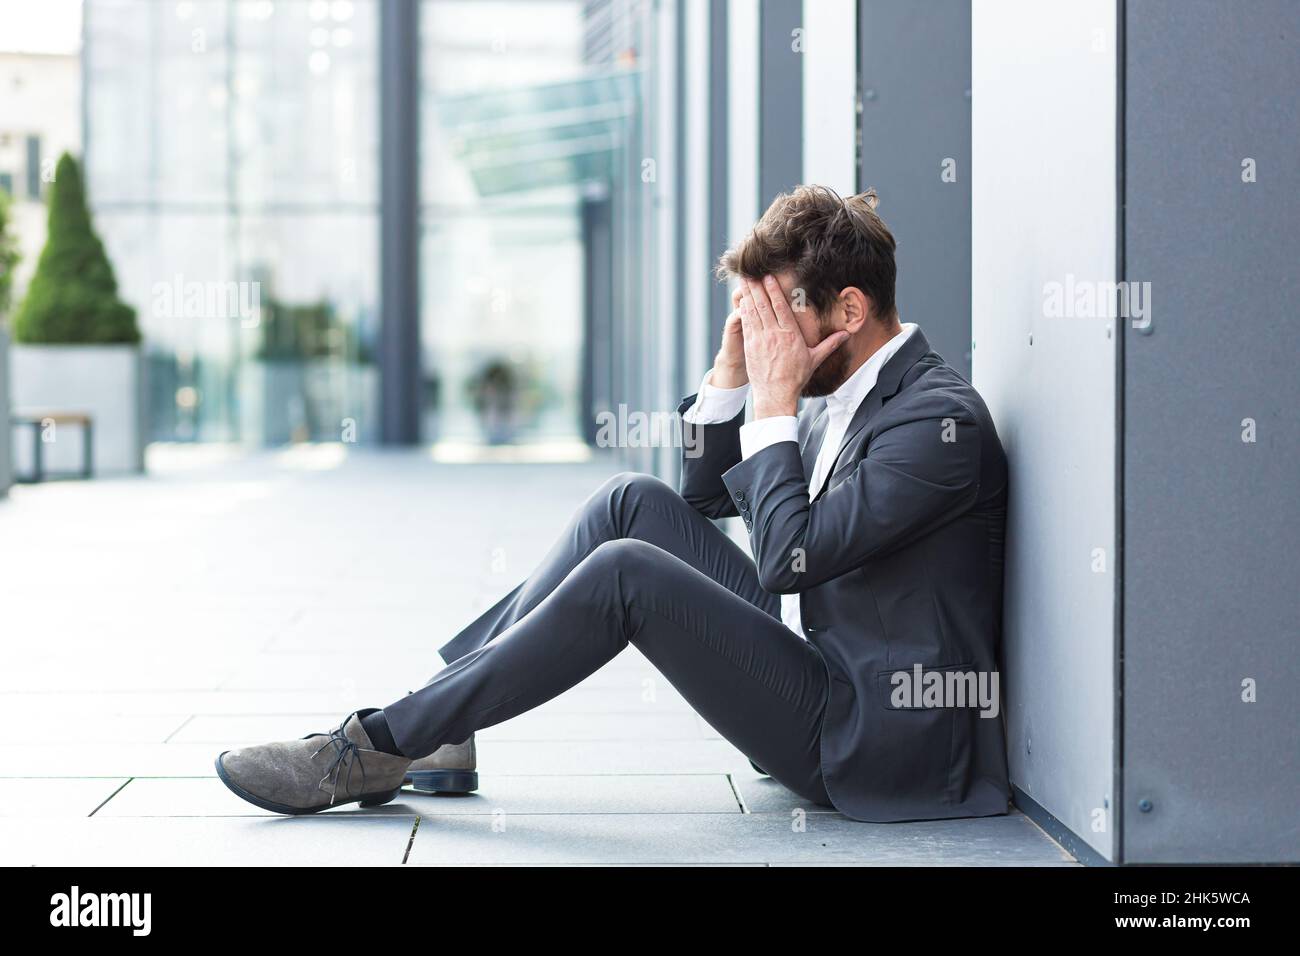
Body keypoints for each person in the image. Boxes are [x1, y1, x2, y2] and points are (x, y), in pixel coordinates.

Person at [215, 185, 1010, 822]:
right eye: (751, 315)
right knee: (631, 501)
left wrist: (773, 399)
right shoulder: (848, 391)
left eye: (777, 313)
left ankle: (378, 744)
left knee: (626, 573)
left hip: (867, 733)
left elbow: (788, 559)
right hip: (818, 657)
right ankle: (442, 724)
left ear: (848, 311)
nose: (763, 334)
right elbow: (701, 499)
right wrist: (733, 375)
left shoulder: (935, 424)